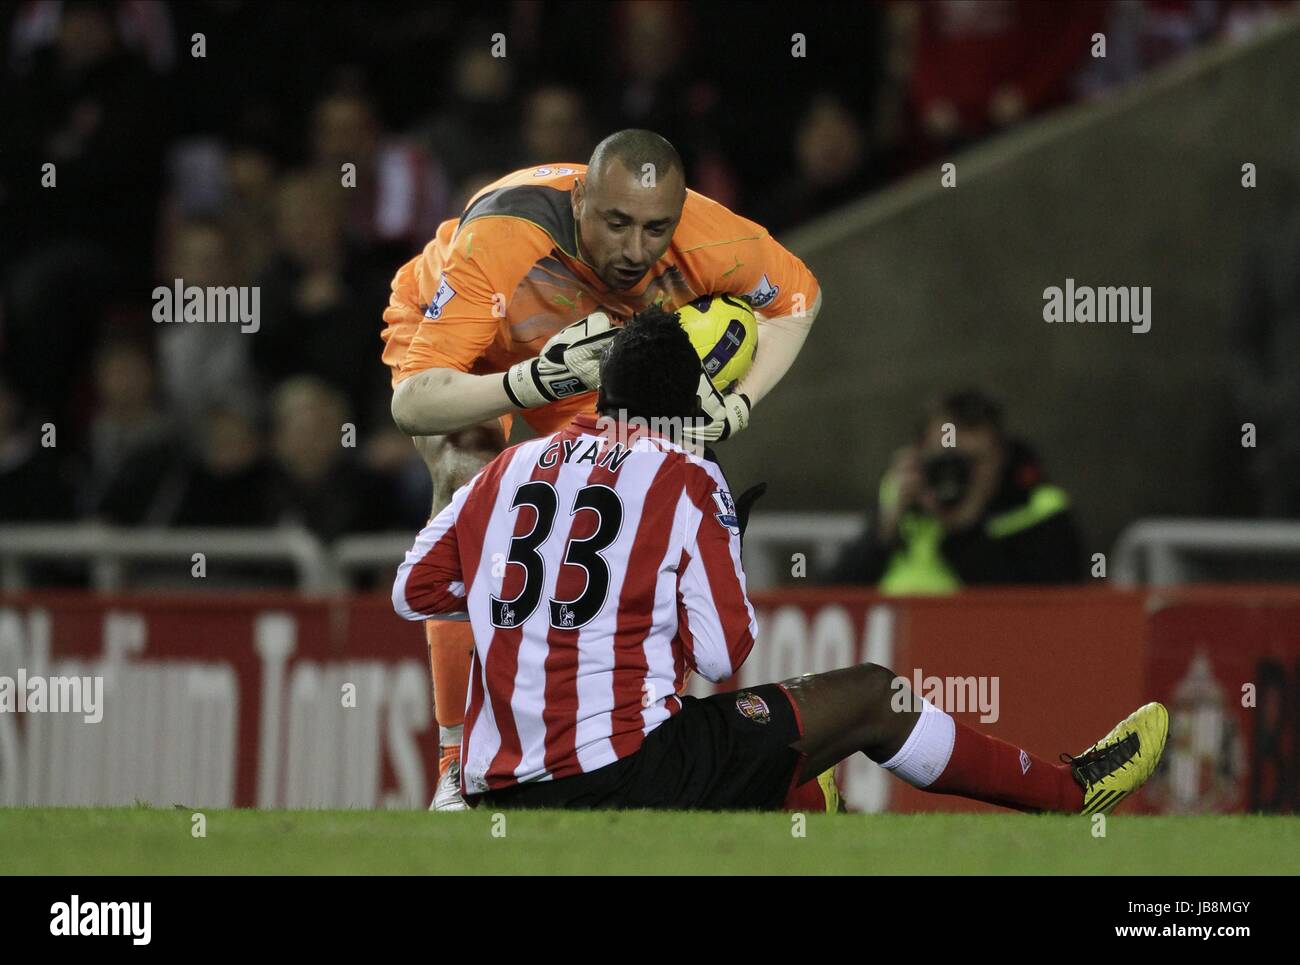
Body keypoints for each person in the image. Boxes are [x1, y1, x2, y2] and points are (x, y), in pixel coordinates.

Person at [392, 309, 1167, 814]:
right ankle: (1072, 791)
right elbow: (726, 654)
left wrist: (528, 599)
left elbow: (415, 588)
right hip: (623, 774)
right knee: (873, 694)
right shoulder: (685, 474)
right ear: (688, 399)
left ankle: (802, 806)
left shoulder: (515, 464)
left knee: (773, 760)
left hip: (499, 790)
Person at [380, 129, 822, 809]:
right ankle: (453, 762)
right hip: (480, 350)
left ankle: (645, 730)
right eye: (617, 223)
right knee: (467, 465)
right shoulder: (501, 240)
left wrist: (736, 408)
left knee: (660, 488)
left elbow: (798, 302)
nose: (637, 250)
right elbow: (414, 402)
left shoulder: (712, 237)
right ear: (582, 199)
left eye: (655, 228)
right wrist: (529, 382)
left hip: (593, 350)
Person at [824, 389, 1084, 592]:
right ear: (919, 453)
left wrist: (963, 532)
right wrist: (882, 535)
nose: (958, 476)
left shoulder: (1038, 511)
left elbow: (1044, 614)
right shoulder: (903, 502)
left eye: (974, 462)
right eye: (946, 460)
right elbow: (828, 603)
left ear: (1001, 458)